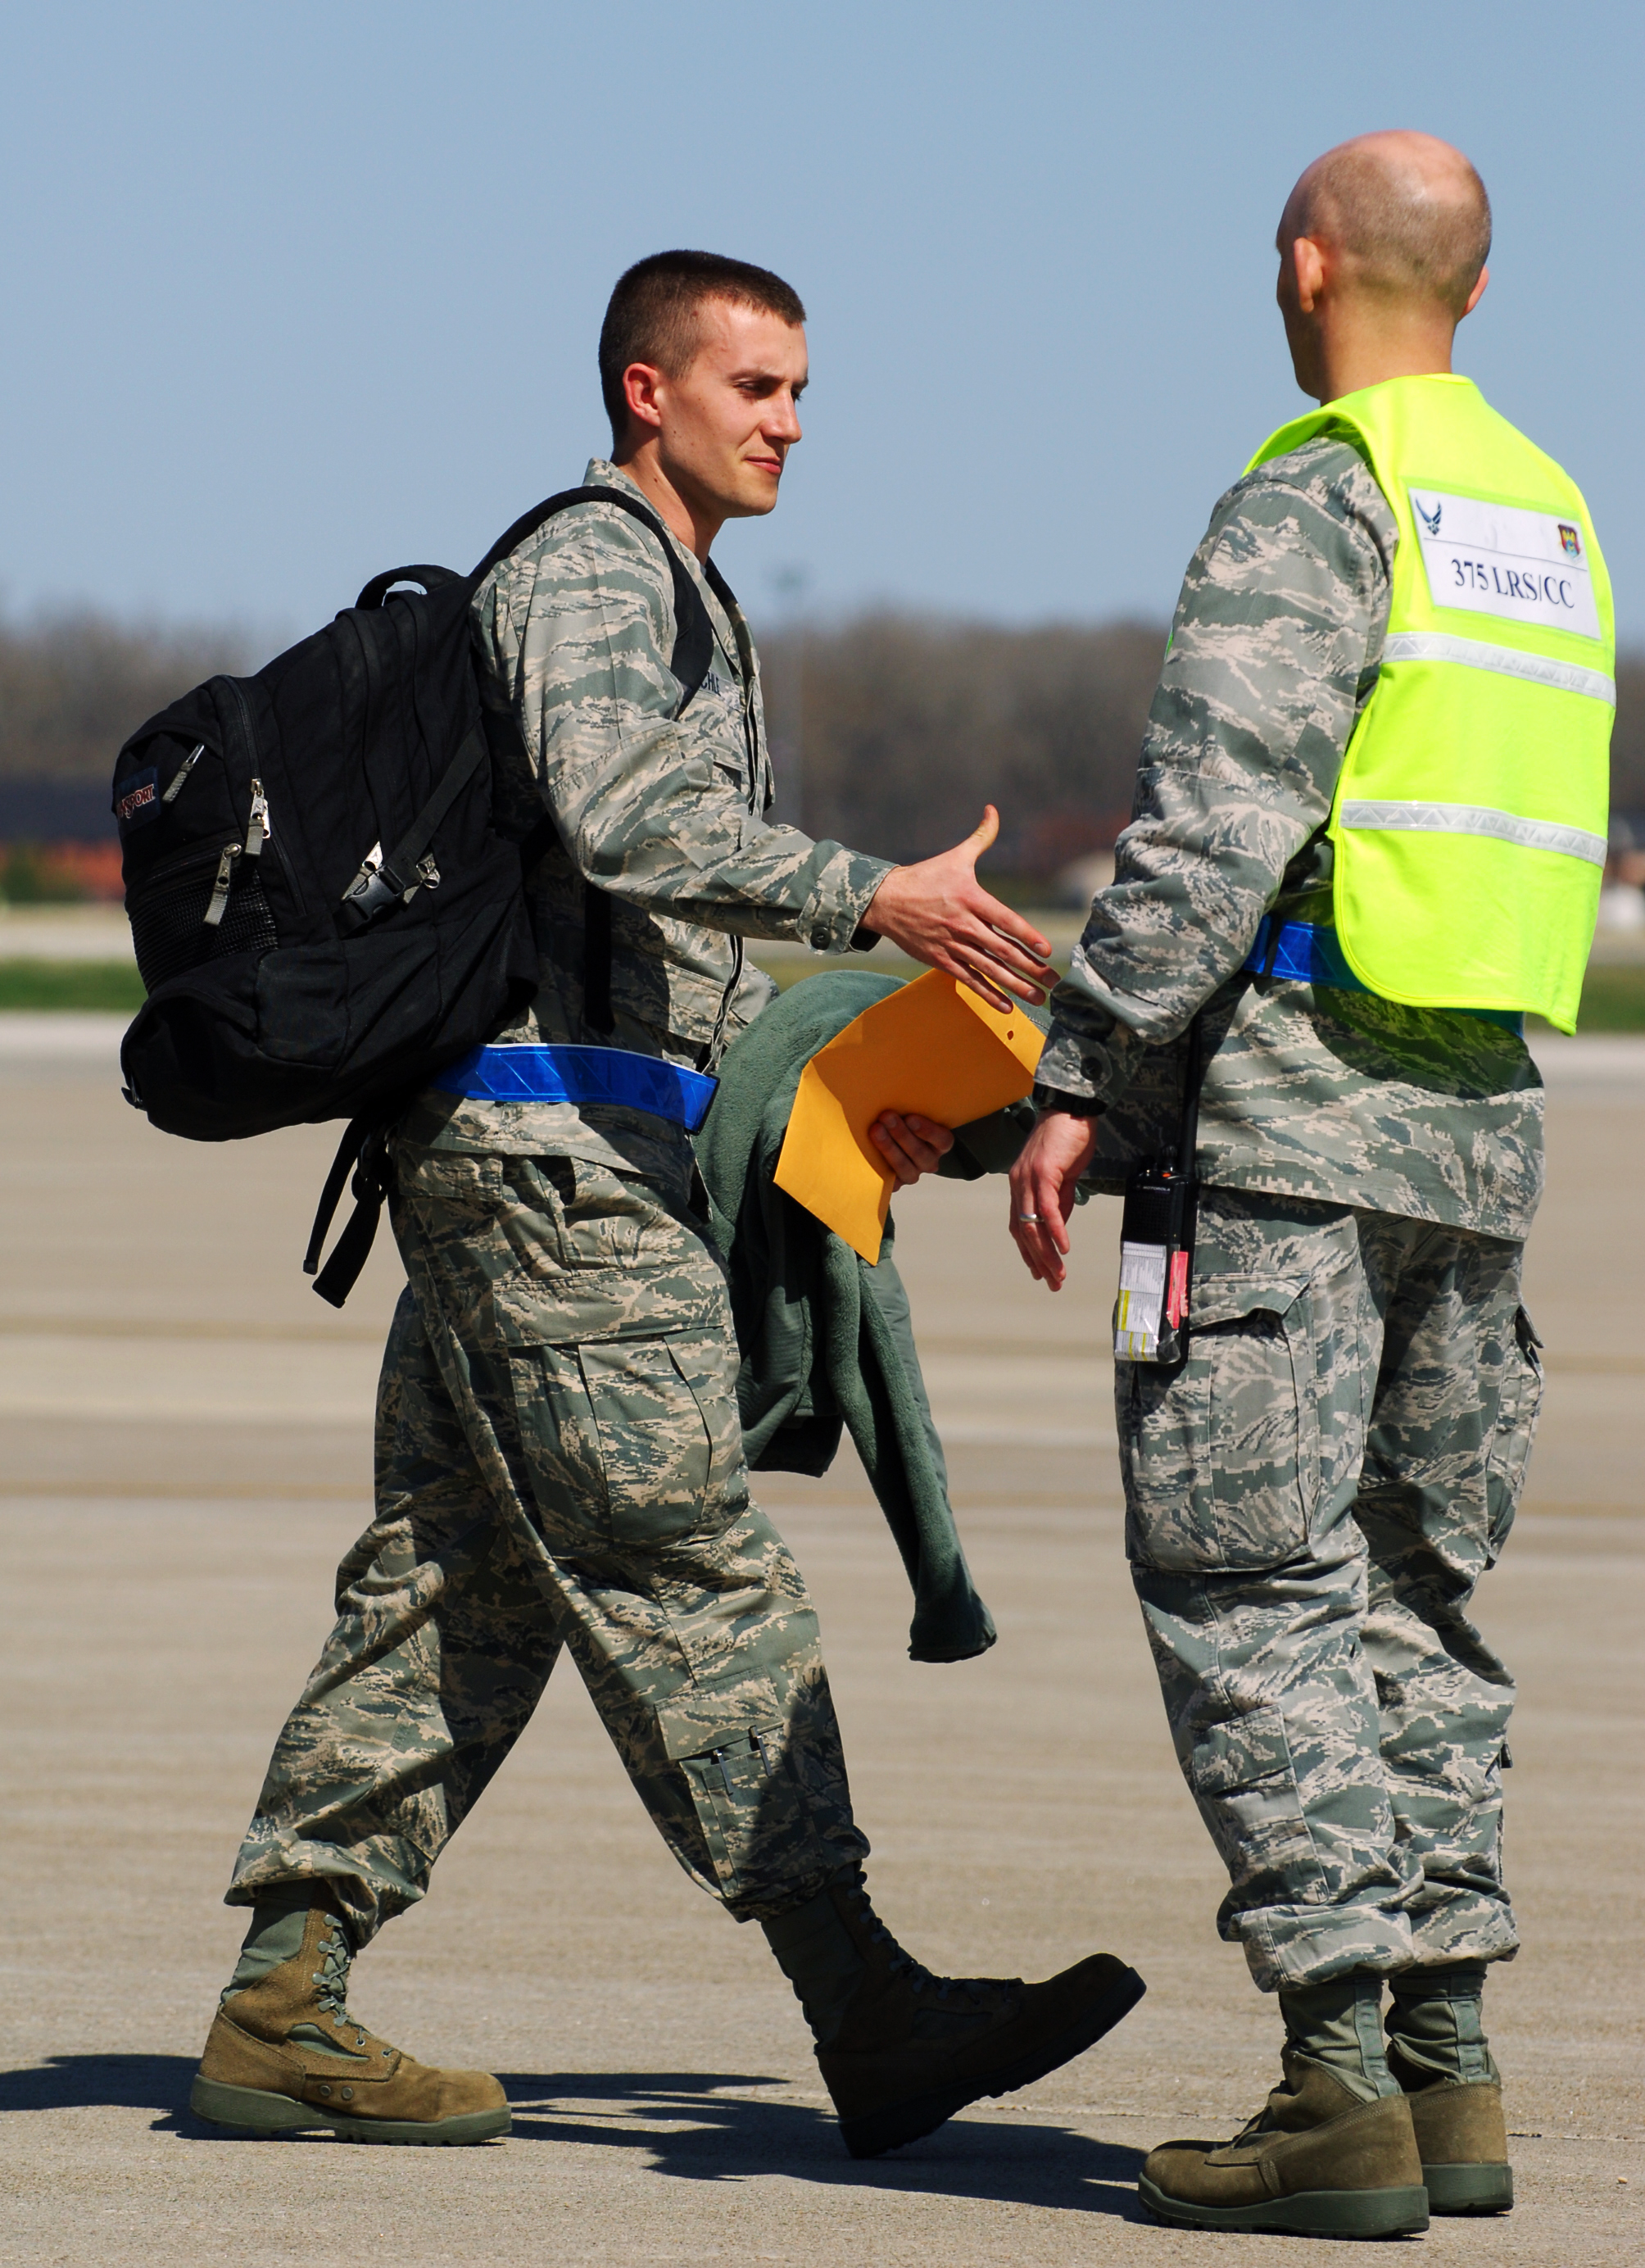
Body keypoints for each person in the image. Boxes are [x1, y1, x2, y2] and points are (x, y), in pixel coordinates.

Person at [192, 249, 1144, 2158]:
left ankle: (282, 2004)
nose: (789, 421)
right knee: (683, 1563)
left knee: (455, 1581)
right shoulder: (595, 568)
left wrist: (866, 1070)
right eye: (755, 384)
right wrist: (875, 895)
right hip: (547, 1170)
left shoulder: (687, 590)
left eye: (801, 391)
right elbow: (627, 814)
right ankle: (864, 2002)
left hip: (554, 1152)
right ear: (647, 390)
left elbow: (644, 909)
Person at [1008, 134, 1611, 2239]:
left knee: (1247, 1589)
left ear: (1300, 263)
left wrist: (1081, 1072)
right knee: (1409, 1597)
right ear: (1474, 284)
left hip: (1291, 1122)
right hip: (1482, 1133)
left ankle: (1330, 2082)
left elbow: (1206, 825)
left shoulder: (1320, 486)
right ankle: (1447, 2076)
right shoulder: (1541, 514)